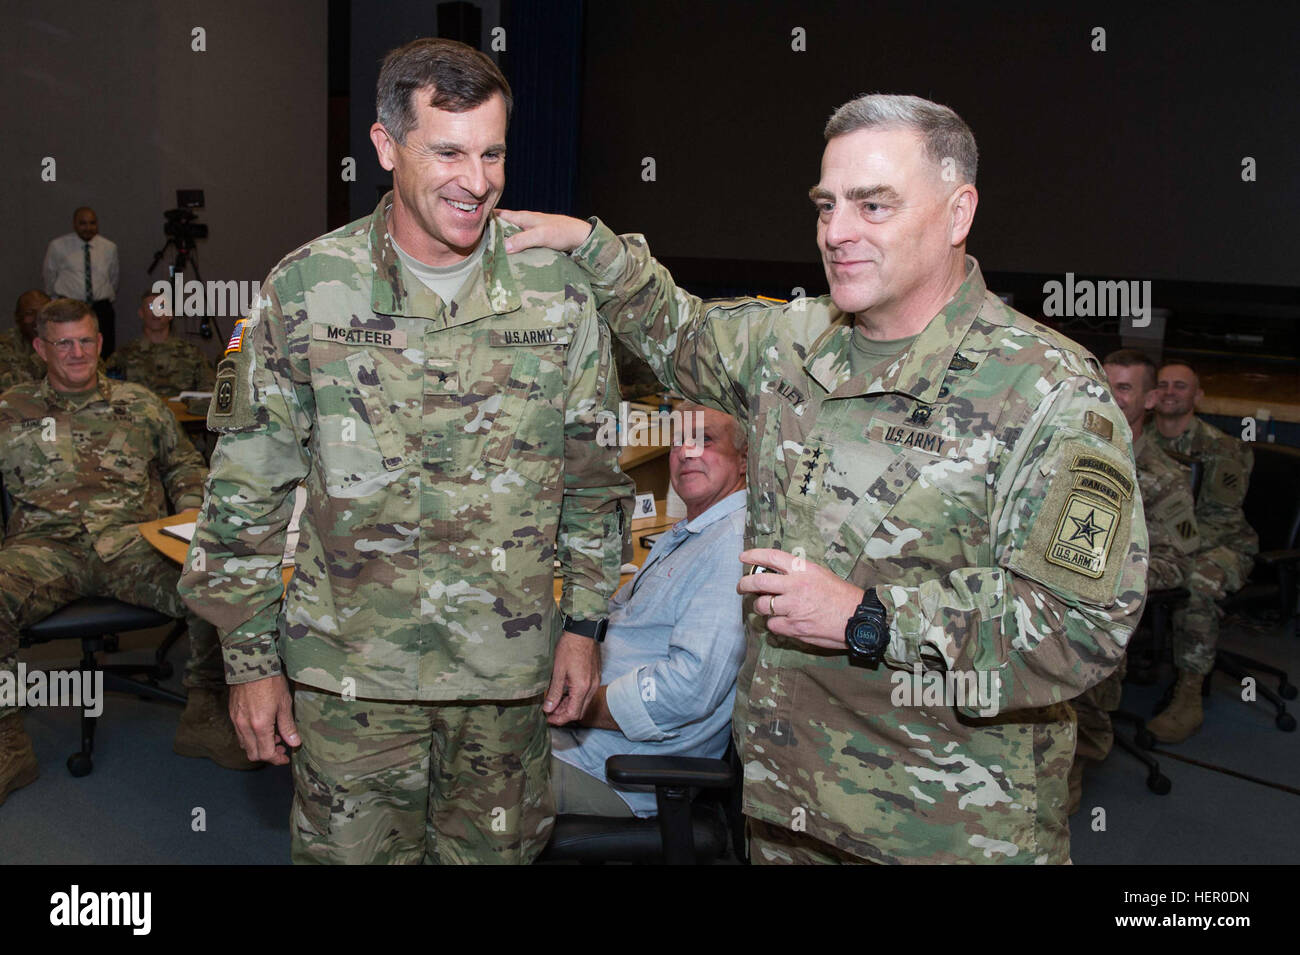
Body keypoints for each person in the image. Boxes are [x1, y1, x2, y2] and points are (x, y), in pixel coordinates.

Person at [502, 92, 1148, 864]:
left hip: (942, 831)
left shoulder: (1047, 390)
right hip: (783, 812)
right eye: (826, 205)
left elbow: (1083, 624)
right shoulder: (795, 343)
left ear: (957, 212)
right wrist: (586, 242)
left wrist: (866, 615)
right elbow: (679, 331)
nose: (837, 233)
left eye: (873, 206)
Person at [178, 38, 632, 865]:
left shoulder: (557, 294)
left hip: (505, 676)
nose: (478, 179)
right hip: (351, 680)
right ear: (387, 147)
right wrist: (247, 661)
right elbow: (246, 490)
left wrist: (587, 624)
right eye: (448, 150)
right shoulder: (309, 287)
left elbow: (593, 480)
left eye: (492, 152)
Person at [0, 298, 252, 807]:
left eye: (86, 340)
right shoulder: (11, 409)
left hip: (132, 542)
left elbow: (184, 466)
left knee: (212, 581)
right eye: (63, 343)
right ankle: (9, 745)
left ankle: (205, 716)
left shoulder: (141, 403)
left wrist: (188, 521)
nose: (76, 353)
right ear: (39, 348)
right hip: (44, 549)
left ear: (100, 341)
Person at [551, 404, 747, 817]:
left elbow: (689, 689)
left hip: (618, 771)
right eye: (678, 440)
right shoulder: (688, 535)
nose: (685, 452)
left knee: (462, 785)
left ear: (744, 460)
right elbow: (620, 620)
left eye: (705, 440)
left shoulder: (732, 545)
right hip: (581, 747)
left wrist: (574, 707)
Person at [1068, 350, 1200, 811]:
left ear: (1149, 400)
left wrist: (1109, 577)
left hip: (1104, 607)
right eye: (1104, 382)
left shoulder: (1162, 478)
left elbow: (1176, 564)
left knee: (1080, 668)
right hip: (1044, 592)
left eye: (1124, 388)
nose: (1110, 393)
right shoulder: (1066, 449)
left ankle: (1068, 777)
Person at [1147, 360, 1258, 742]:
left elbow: (1221, 520)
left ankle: (1189, 694)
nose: (1170, 392)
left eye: (1181, 386)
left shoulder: (1222, 448)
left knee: (1195, 582)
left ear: (1198, 396)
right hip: (1163, 541)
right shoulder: (1140, 439)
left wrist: (1169, 550)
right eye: (1162, 384)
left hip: (1222, 545)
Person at [106, 292, 216, 397]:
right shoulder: (123, 355)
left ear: (171, 314)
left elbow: (209, 391)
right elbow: (107, 389)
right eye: (151, 307)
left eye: (161, 307)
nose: (156, 312)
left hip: (183, 414)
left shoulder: (193, 354)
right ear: (141, 313)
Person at [43, 207, 120, 356]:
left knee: (104, 349)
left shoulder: (109, 248)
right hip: (68, 306)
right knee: (70, 348)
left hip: (100, 307)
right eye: (83, 223)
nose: (88, 228)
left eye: (92, 223)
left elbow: (113, 278)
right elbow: (49, 276)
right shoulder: (58, 246)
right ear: (74, 224)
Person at [0, 290, 50, 391]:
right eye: (30, 313)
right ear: (18, 318)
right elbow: (8, 384)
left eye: (44, 312)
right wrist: (47, 351)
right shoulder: (5, 344)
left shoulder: (69, 339)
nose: (38, 319)